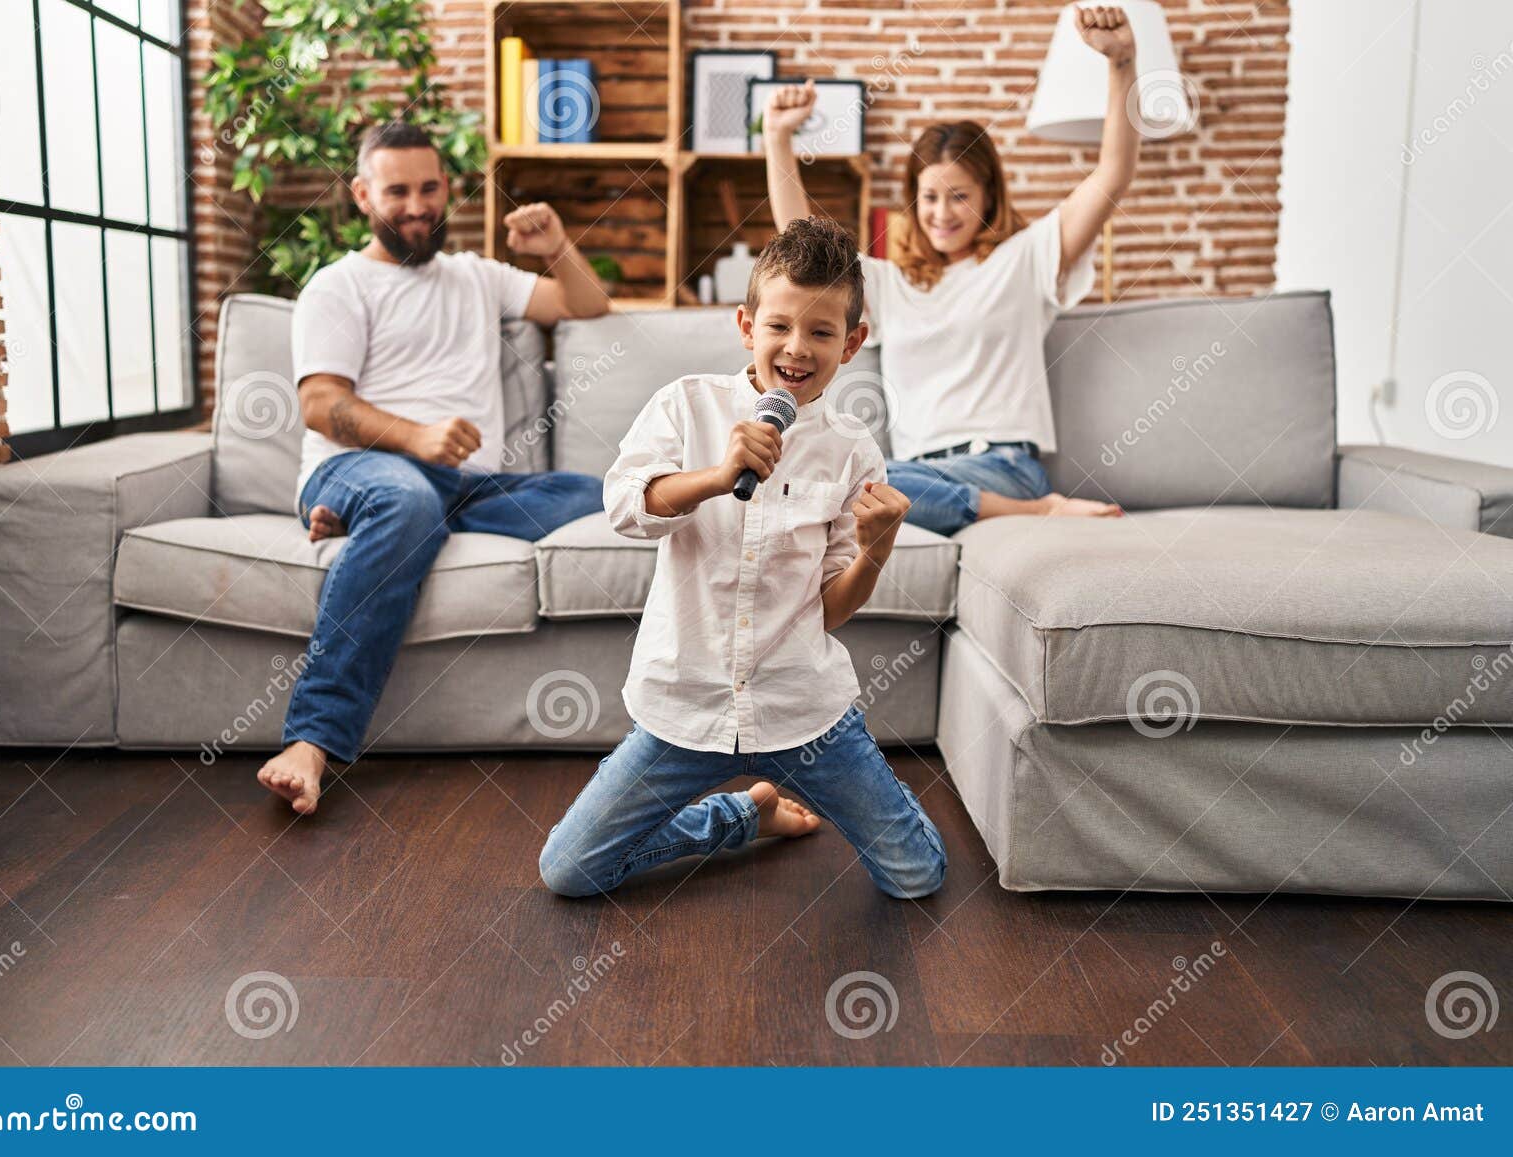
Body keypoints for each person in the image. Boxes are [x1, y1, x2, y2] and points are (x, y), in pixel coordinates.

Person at [538, 216, 947, 900]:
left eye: (821, 332)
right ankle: (740, 816)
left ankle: (869, 797)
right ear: (746, 326)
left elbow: (832, 612)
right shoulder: (686, 405)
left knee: (918, 877)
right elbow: (624, 508)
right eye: (780, 326)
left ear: (852, 344)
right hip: (686, 706)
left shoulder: (853, 449)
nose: (796, 347)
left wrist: (875, 551)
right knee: (570, 869)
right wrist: (714, 474)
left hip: (803, 710)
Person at [256, 120, 612, 815]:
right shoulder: (338, 286)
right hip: (357, 468)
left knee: (604, 496)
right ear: (363, 194)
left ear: (447, 188)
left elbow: (586, 305)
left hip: (465, 488)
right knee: (404, 500)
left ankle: (373, 533)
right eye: (396, 191)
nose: (416, 205)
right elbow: (320, 402)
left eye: (428, 188)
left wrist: (555, 248)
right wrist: (415, 438)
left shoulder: (477, 276)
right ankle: (312, 740)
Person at [762, 4, 1141, 535]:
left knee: (857, 480)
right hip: (921, 470)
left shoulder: (1026, 259)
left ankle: (1038, 509)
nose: (942, 214)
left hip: (1003, 466)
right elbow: (803, 245)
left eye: (960, 196)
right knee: (837, 471)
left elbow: (1114, 174)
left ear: (989, 195)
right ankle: (991, 510)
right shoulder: (890, 286)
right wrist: (777, 137)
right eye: (930, 198)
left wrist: (1121, 62)